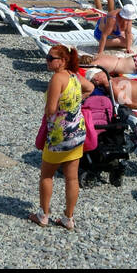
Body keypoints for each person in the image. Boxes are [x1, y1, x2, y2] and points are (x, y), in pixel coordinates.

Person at [32, 46, 93, 230]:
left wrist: (59, 111)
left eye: (51, 58)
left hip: (59, 136)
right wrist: (75, 103)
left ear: (63, 60)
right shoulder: (74, 75)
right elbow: (90, 87)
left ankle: (43, 215)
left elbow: (51, 109)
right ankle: (68, 218)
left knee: (47, 175)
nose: (47, 60)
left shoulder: (57, 78)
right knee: (72, 178)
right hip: (76, 133)